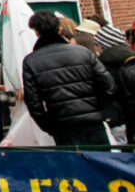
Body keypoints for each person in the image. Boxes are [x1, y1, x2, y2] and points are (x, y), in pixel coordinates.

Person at [20, 12, 114, 149]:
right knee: (103, 166)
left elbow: (33, 103)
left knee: (74, 168)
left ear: (36, 32)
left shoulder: (31, 61)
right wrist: (97, 108)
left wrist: (49, 126)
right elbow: (109, 85)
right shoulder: (83, 53)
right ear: (59, 30)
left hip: (62, 126)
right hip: (93, 122)